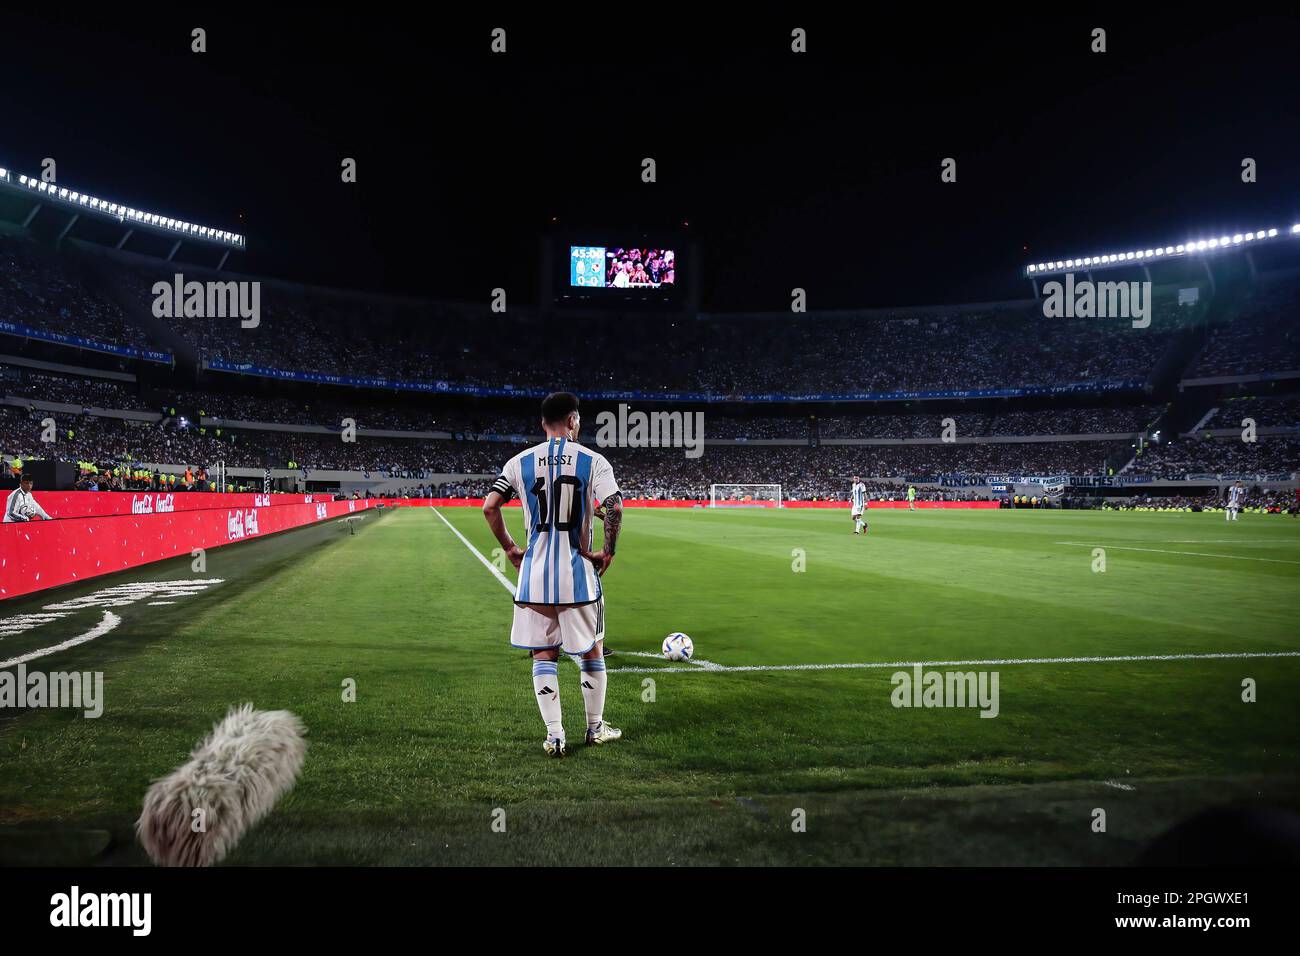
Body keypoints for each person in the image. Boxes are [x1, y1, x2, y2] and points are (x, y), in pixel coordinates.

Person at [482, 391, 623, 757]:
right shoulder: (594, 462)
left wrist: (512, 548)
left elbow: (490, 507)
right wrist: (607, 551)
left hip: (534, 577)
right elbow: (615, 507)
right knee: (592, 651)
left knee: (543, 655)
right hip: (577, 575)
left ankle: (555, 735)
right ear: (574, 420)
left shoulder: (519, 462)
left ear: (543, 423)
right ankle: (594, 729)